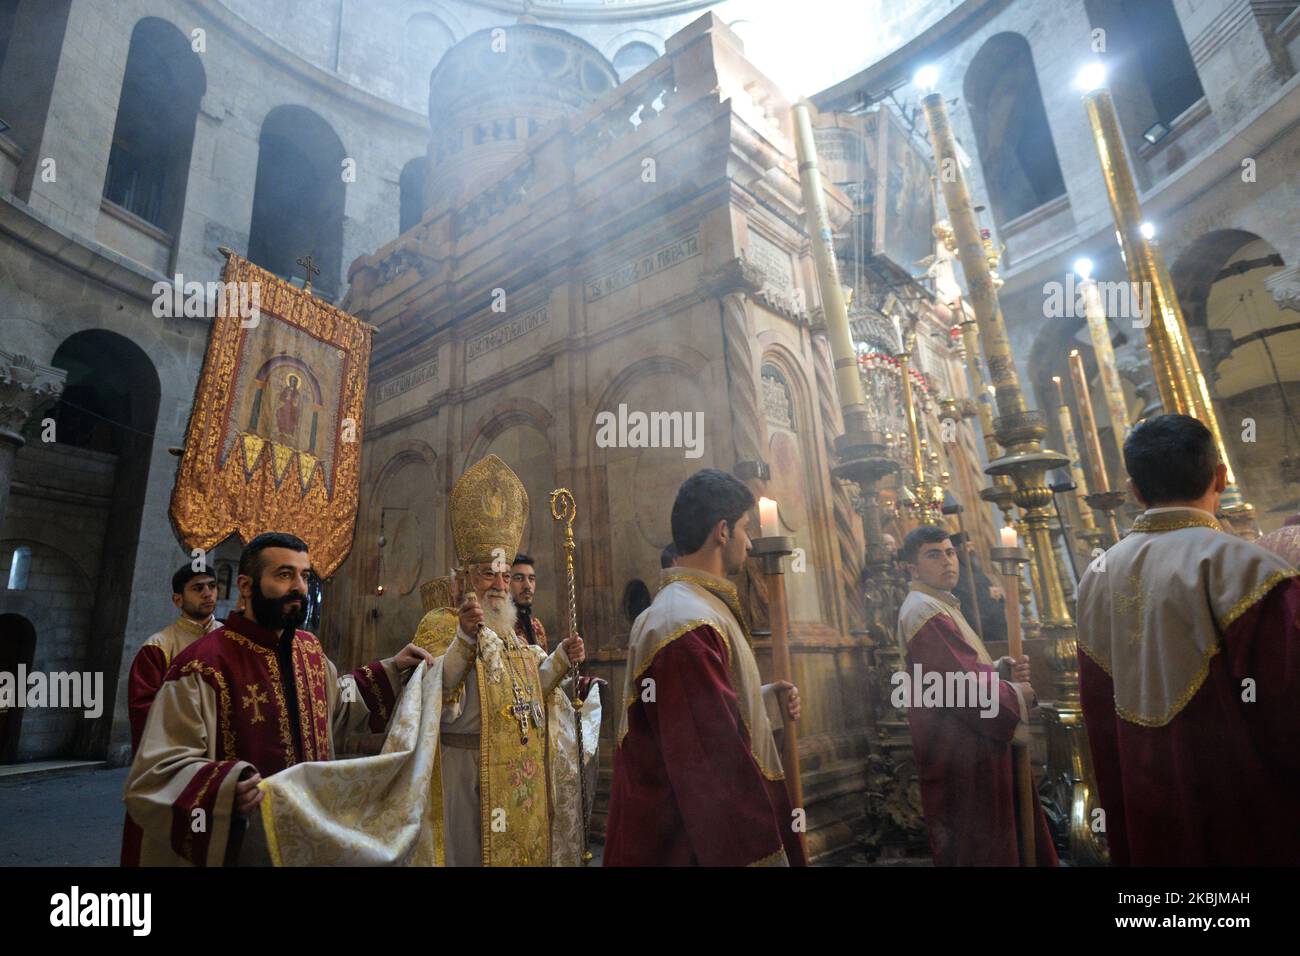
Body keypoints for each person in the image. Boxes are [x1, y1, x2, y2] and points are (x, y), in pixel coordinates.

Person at [123, 532, 433, 866]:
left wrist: (391, 670)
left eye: (304, 575)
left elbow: (338, 705)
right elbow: (154, 775)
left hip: (308, 833)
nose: (298, 586)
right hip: (244, 847)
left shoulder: (310, 650)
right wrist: (227, 789)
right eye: (284, 575)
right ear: (245, 585)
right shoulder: (202, 666)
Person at [1077, 414, 1300, 865]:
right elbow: (1286, 703)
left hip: (1144, 806)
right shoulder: (1250, 569)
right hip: (1242, 810)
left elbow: (1098, 713)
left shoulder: (1096, 577)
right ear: (1219, 476)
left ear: (1134, 490)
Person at [605, 468, 807, 866]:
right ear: (722, 531)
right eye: (746, 529)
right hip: (685, 844)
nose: (750, 543)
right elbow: (711, 769)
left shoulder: (692, 608)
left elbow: (699, 714)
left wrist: (765, 701)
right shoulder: (685, 622)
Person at [412, 454, 595, 866]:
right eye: (486, 573)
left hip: (515, 770)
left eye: (504, 574)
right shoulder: (440, 624)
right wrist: (463, 639)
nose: (498, 584)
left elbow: (526, 695)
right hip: (465, 770)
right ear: (462, 580)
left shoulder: (512, 634)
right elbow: (434, 696)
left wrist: (561, 659)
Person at [898, 524, 1057, 866]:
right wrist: (1016, 695)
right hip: (961, 749)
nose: (947, 561)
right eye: (934, 555)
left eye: (950, 552)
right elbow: (963, 688)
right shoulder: (925, 612)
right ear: (912, 568)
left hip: (968, 743)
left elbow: (962, 670)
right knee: (983, 846)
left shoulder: (939, 605)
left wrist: (1001, 670)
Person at [120, 563, 221, 867]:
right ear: (177, 599)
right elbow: (144, 712)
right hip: (179, 765)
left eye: (212, 586)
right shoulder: (158, 647)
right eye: (197, 588)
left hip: (223, 761)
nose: (208, 593)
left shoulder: (231, 639)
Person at [510, 553, 548, 650]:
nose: (527, 586)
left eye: (531, 579)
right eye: (519, 578)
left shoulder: (537, 627)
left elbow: (545, 665)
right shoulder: (498, 627)